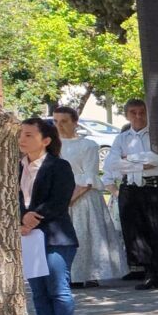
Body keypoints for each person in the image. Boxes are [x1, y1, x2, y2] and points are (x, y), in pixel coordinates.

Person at [108, 98, 158, 290]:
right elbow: (111, 163)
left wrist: (129, 159)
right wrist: (140, 162)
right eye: (133, 112)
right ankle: (151, 273)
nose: (138, 116)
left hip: (156, 187)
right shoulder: (121, 138)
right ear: (127, 115)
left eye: (141, 112)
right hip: (131, 188)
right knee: (136, 233)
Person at [17, 116, 78, 315]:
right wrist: (22, 216)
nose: (22, 139)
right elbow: (13, 198)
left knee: (57, 286)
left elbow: (59, 200)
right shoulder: (17, 166)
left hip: (55, 236)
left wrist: (33, 217)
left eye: (29, 135)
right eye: (21, 134)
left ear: (45, 141)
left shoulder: (58, 166)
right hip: (29, 236)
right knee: (38, 288)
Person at [53, 107, 127, 286]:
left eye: (64, 121)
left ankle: (89, 273)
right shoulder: (51, 146)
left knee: (84, 234)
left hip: (82, 196)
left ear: (75, 123)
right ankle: (68, 274)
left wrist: (71, 198)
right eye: (56, 121)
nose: (59, 126)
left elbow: (89, 176)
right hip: (58, 196)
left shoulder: (88, 145)